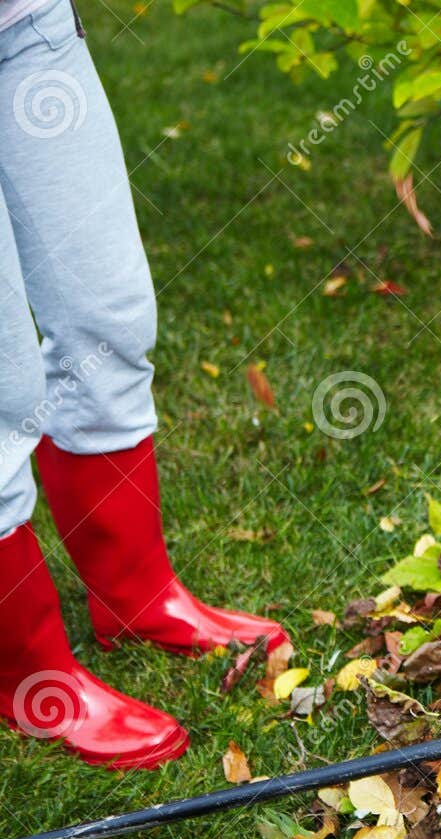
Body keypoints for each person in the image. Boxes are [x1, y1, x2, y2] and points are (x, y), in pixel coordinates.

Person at [0, 0, 287, 769]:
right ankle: (31, 678)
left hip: (23, 26)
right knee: (2, 383)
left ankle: (134, 596)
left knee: (108, 316)